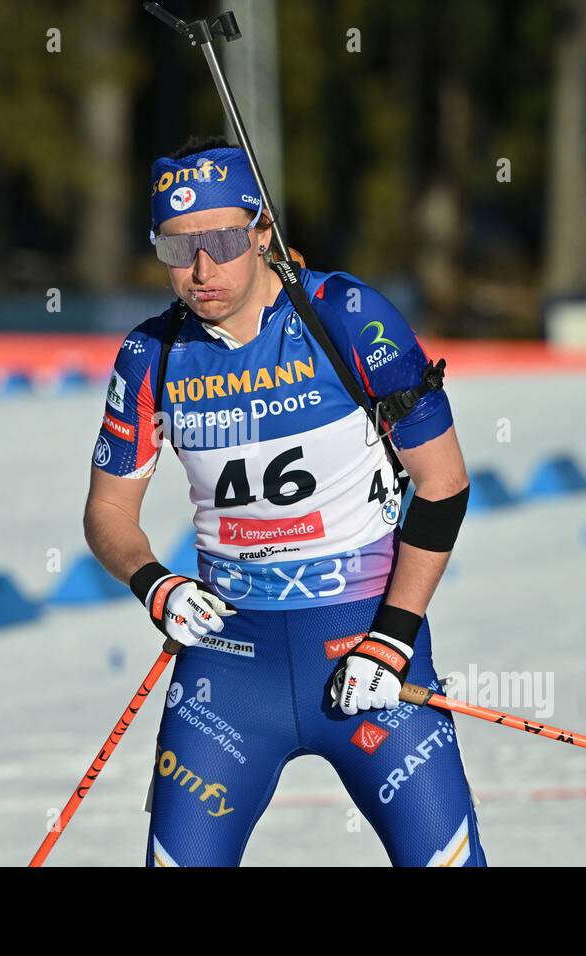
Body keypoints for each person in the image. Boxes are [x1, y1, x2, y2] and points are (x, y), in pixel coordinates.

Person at [84, 135, 487, 867]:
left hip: (367, 650)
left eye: (223, 240)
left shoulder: (344, 314)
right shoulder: (152, 355)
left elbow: (443, 483)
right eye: (176, 248)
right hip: (230, 670)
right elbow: (108, 513)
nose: (200, 268)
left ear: (263, 231)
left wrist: (393, 640)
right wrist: (156, 583)